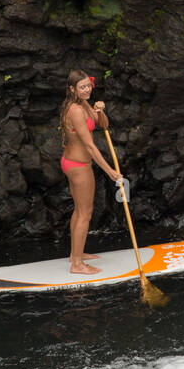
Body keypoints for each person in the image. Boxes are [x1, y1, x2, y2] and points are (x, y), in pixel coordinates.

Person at [59, 69, 120, 274]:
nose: (87, 90)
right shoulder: (75, 110)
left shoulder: (82, 103)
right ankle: (77, 264)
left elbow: (103, 125)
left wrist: (101, 111)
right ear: (72, 89)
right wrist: (110, 171)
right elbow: (90, 147)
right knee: (85, 213)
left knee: (79, 210)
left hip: (73, 163)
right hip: (78, 166)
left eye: (88, 85)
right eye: (82, 87)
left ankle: (76, 254)